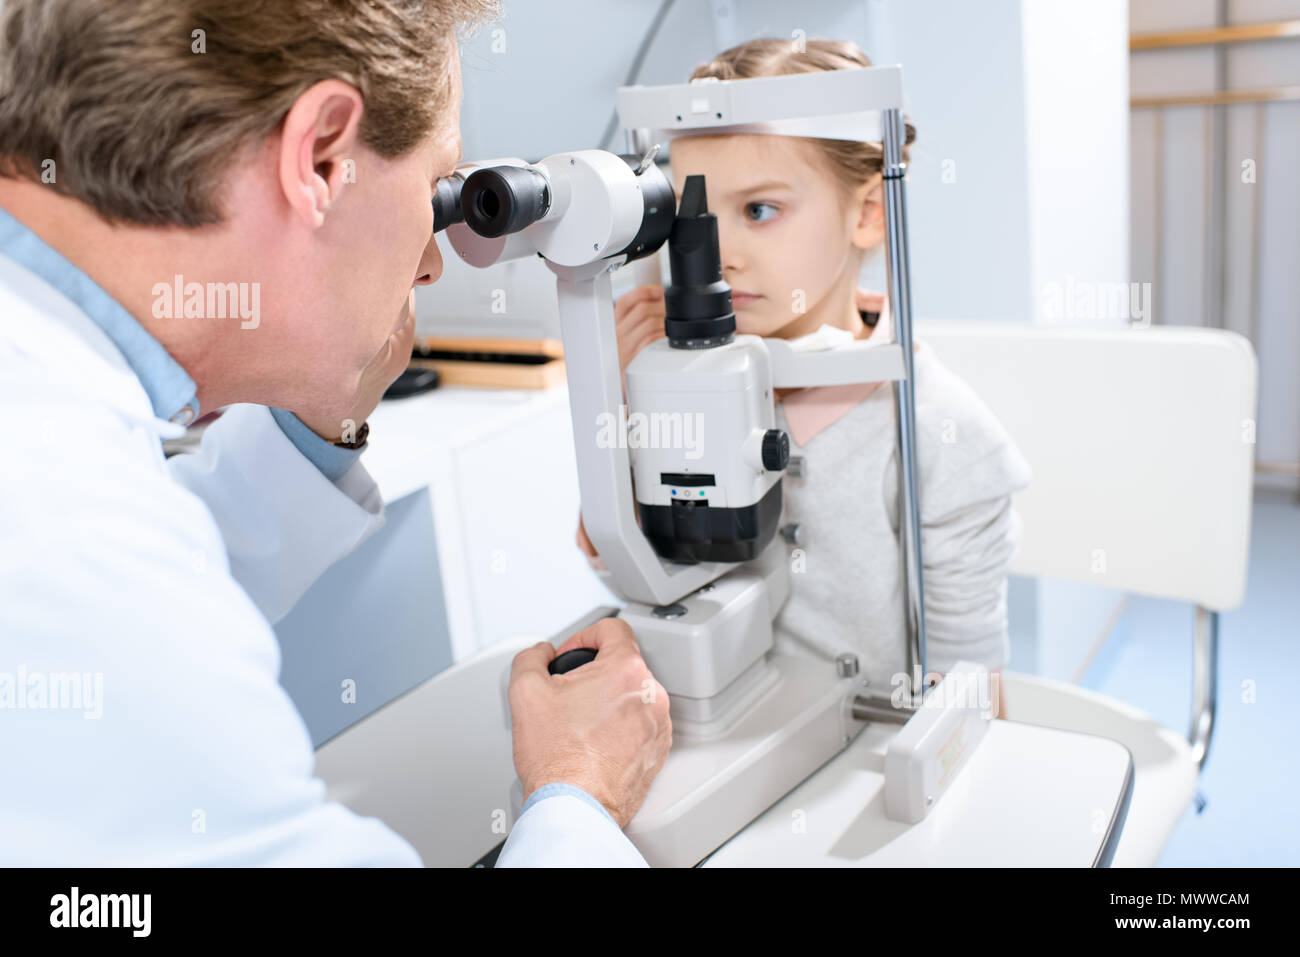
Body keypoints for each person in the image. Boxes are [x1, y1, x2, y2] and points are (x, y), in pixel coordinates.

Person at [0, 0, 666, 867]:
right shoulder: (75, 553)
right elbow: (121, 605)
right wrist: (579, 795)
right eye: (435, 186)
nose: (431, 259)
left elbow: (174, 568)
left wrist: (322, 412)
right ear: (320, 157)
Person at [580, 38, 1032, 717]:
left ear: (868, 213)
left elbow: (972, 694)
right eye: (693, 215)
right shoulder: (676, 393)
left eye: (760, 210)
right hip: (722, 725)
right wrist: (620, 409)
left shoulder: (946, 436)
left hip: (867, 755)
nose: (719, 254)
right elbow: (634, 578)